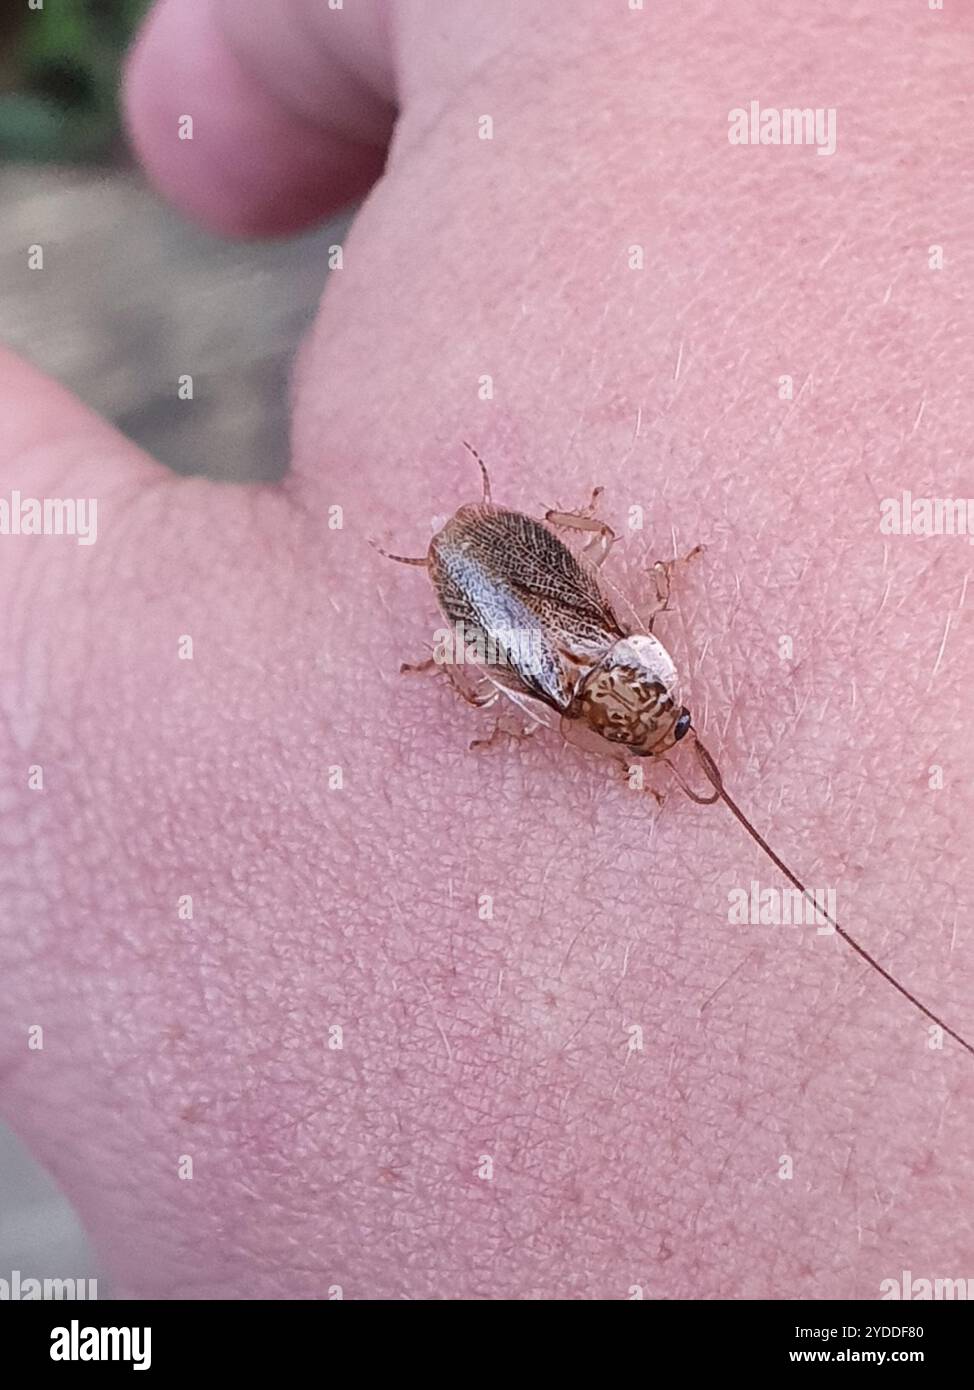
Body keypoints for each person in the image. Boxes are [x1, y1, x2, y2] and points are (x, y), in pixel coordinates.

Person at [1, 0, 970, 1300]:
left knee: (534, 667)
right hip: (512, 586)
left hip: (513, 601)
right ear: (643, 704)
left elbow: (610, 643)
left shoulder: (609, 683)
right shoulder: (611, 698)